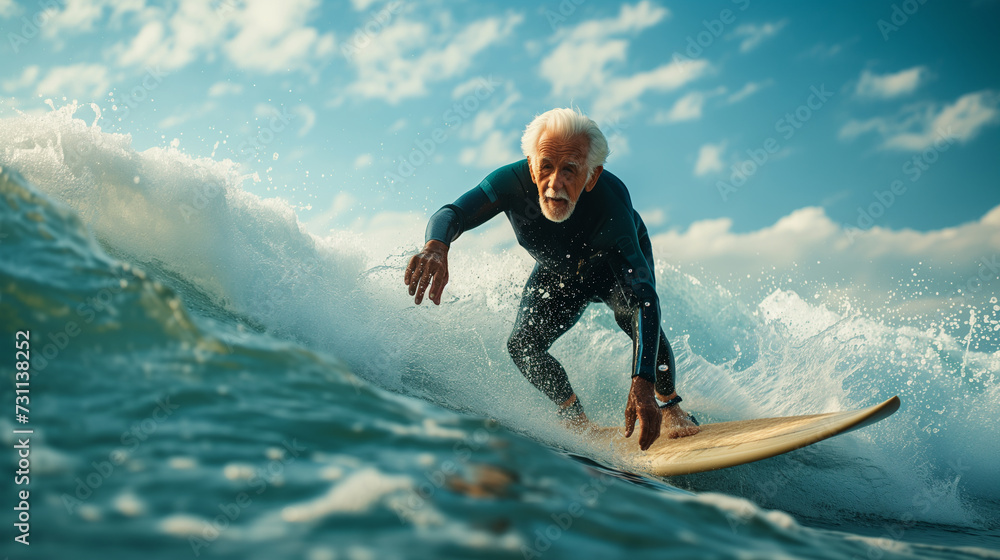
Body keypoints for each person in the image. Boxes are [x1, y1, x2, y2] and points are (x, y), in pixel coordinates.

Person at [403, 108, 699, 450]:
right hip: (558, 272)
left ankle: (671, 404)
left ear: (591, 175)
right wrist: (436, 246)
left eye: (570, 170)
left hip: (611, 270)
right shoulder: (510, 183)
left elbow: (645, 300)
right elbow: (453, 213)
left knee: (633, 317)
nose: (554, 184)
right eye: (545, 166)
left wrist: (643, 383)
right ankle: (573, 415)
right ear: (531, 164)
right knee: (522, 345)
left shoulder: (611, 207)